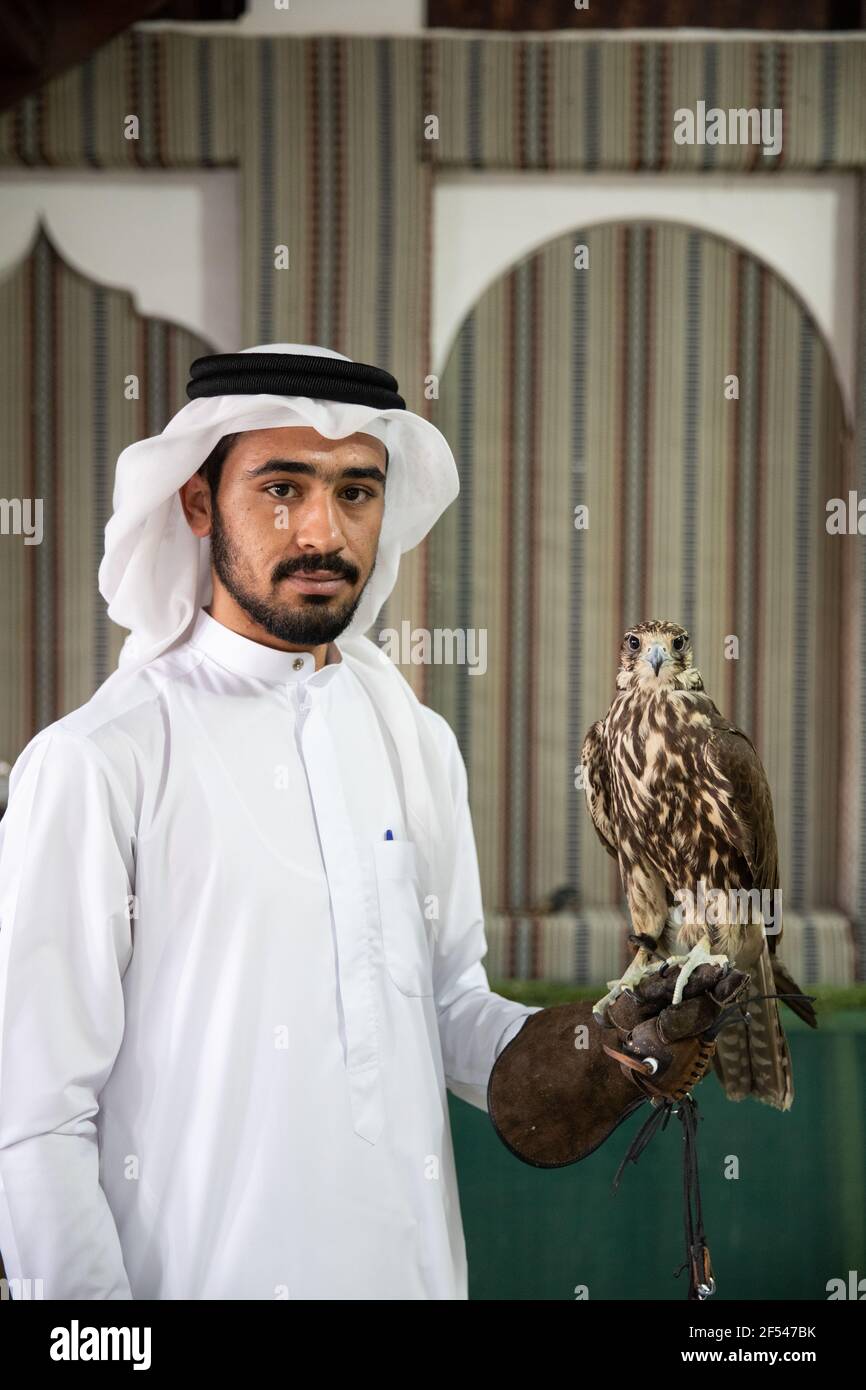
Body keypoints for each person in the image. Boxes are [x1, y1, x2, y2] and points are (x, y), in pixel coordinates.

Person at [0, 342, 738, 1301]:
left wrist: (593, 1050)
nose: (322, 529)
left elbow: (445, 1008)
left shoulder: (414, 741)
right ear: (196, 502)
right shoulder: (101, 761)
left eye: (355, 492)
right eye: (281, 487)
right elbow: (33, 1117)